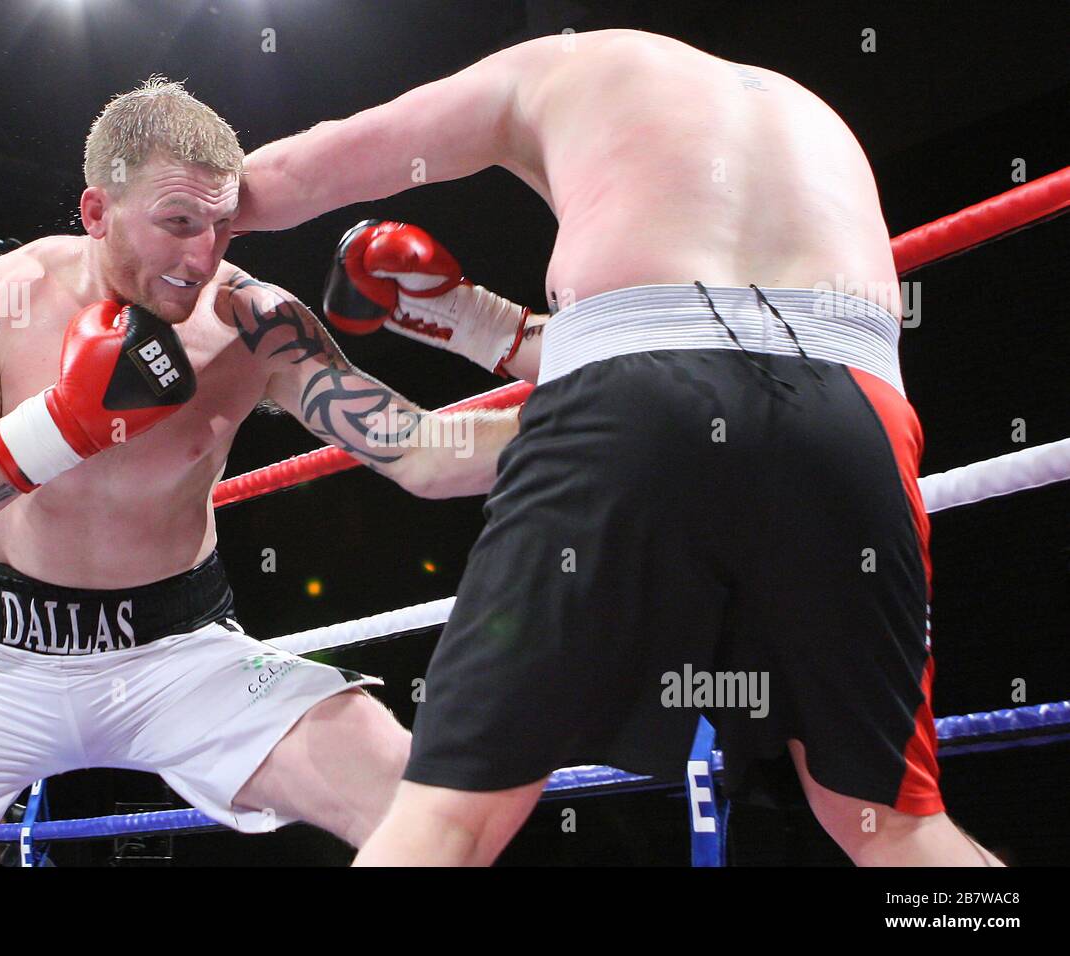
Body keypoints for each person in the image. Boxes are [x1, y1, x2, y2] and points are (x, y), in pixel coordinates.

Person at [238, 29, 1003, 866]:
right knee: (893, 825)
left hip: (633, 407)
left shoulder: (551, 67)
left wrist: (139, 237)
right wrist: (469, 319)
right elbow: (718, 328)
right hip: (851, 414)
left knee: (448, 820)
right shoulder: (809, 112)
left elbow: (291, 176)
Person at [0, 77, 518, 866]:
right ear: (97, 212)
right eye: (178, 223)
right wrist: (59, 426)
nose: (202, 258)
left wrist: (606, 411)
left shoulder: (256, 324)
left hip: (179, 650)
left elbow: (426, 453)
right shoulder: (2, 300)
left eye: (224, 226)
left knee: (419, 809)